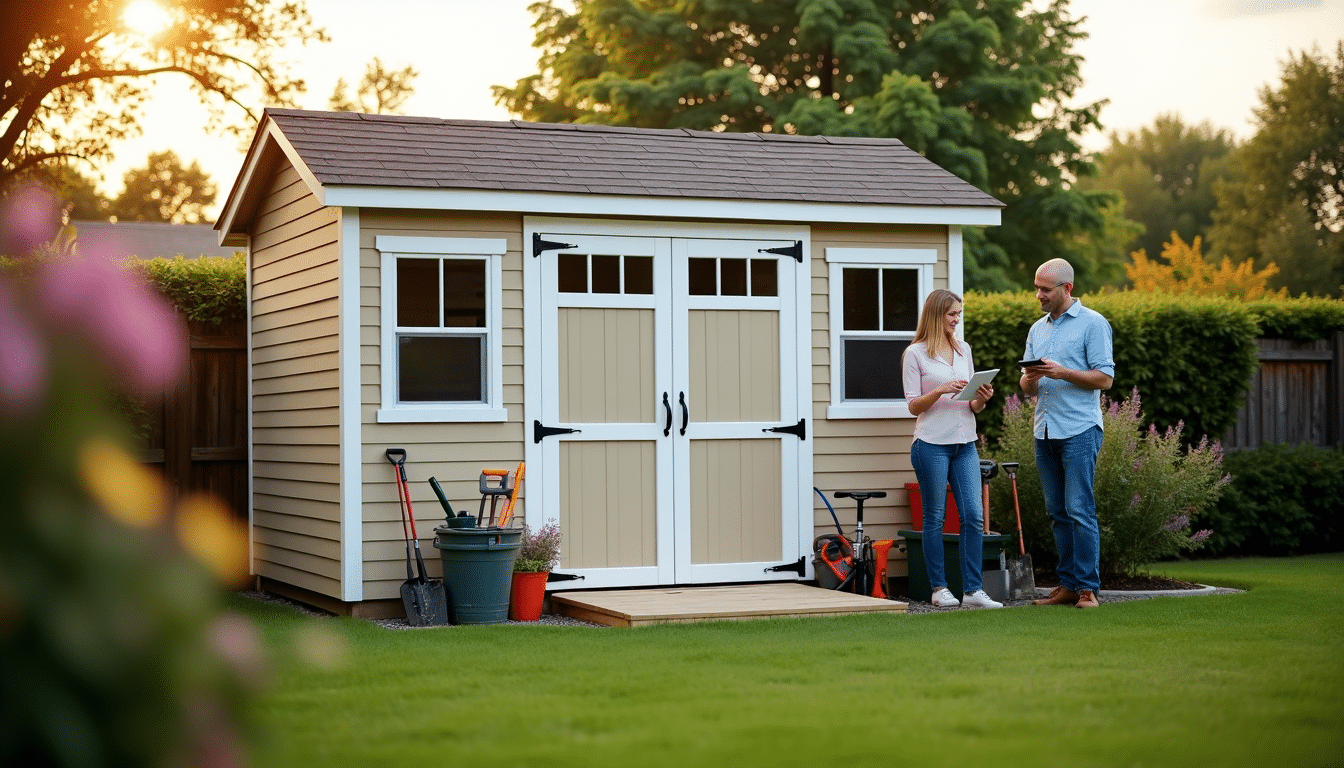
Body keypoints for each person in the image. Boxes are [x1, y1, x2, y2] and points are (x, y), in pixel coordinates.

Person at [1019, 259, 1114, 609]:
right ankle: (1068, 585)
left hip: (1079, 429)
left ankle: (1088, 589)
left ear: (1067, 288)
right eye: (1037, 288)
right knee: (1057, 511)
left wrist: (1063, 373)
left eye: (1045, 289)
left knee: (1079, 509)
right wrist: (1029, 379)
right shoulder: (1037, 329)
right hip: (1044, 429)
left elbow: (1104, 379)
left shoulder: (1093, 324)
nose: (1039, 295)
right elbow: (1027, 385)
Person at [901, 289, 1001, 609]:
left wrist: (982, 397)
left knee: (973, 516)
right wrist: (941, 388)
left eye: (959, 314)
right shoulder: (915, 354)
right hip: (931, 444)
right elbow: (914, 405)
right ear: (935, 316)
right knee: (935, 517)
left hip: (964, 443)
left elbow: (971, 405)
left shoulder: (964, 349)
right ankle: (939, 588)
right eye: (952, 315)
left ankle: (972, 591)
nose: (957, 320)